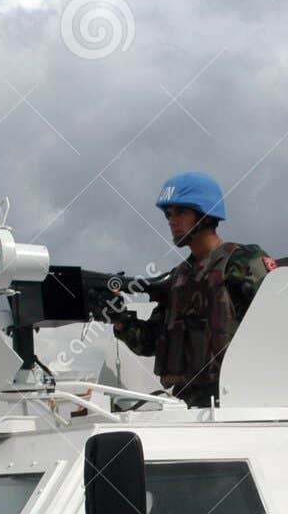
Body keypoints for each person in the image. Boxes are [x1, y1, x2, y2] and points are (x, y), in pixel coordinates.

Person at [109, 172, 275, 408]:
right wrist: (120, 319)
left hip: (239, 402)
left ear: (206, 215)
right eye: (168, 214)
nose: (171, 221)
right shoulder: (178, 278)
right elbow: (151, 343)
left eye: (181, 212)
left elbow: (277, 327)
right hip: (185, 406)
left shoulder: (243, 260)